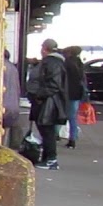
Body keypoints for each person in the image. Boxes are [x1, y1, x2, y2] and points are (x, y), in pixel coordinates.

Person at [26, 39, 69, 169]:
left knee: (47, 131)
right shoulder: (55, 62)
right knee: (46, 131)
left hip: (48, 103)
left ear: (44, 48)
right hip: (47, 102)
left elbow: (54, 84)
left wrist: (39, 95)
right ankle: (47, 159)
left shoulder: (52, 63)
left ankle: (51, 159)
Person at [63, 45, 88, 149]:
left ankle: (56, 135)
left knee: (61, 114)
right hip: (77, 93)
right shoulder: (79, 63)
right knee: (73, 117)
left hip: (67, 92)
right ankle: (72, 138)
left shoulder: (67, 63)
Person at [1, 49, 22, 148]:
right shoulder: (13, 68)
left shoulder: (0, 67)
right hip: (13, 105)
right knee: (5, 133)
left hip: (2, 104)